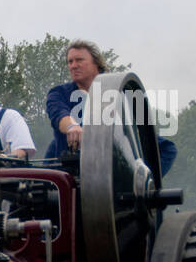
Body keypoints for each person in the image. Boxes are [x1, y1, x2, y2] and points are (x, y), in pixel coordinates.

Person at [45, 39, 177, 174]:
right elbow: (58, 113)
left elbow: (164, 148)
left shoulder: (122, 94)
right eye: (70, 61)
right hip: (71, 183)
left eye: (79, 60)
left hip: (113, 185)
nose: (73, 65)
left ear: (96, 63)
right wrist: (72, 127)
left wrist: (144, 184)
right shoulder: (58, 93)